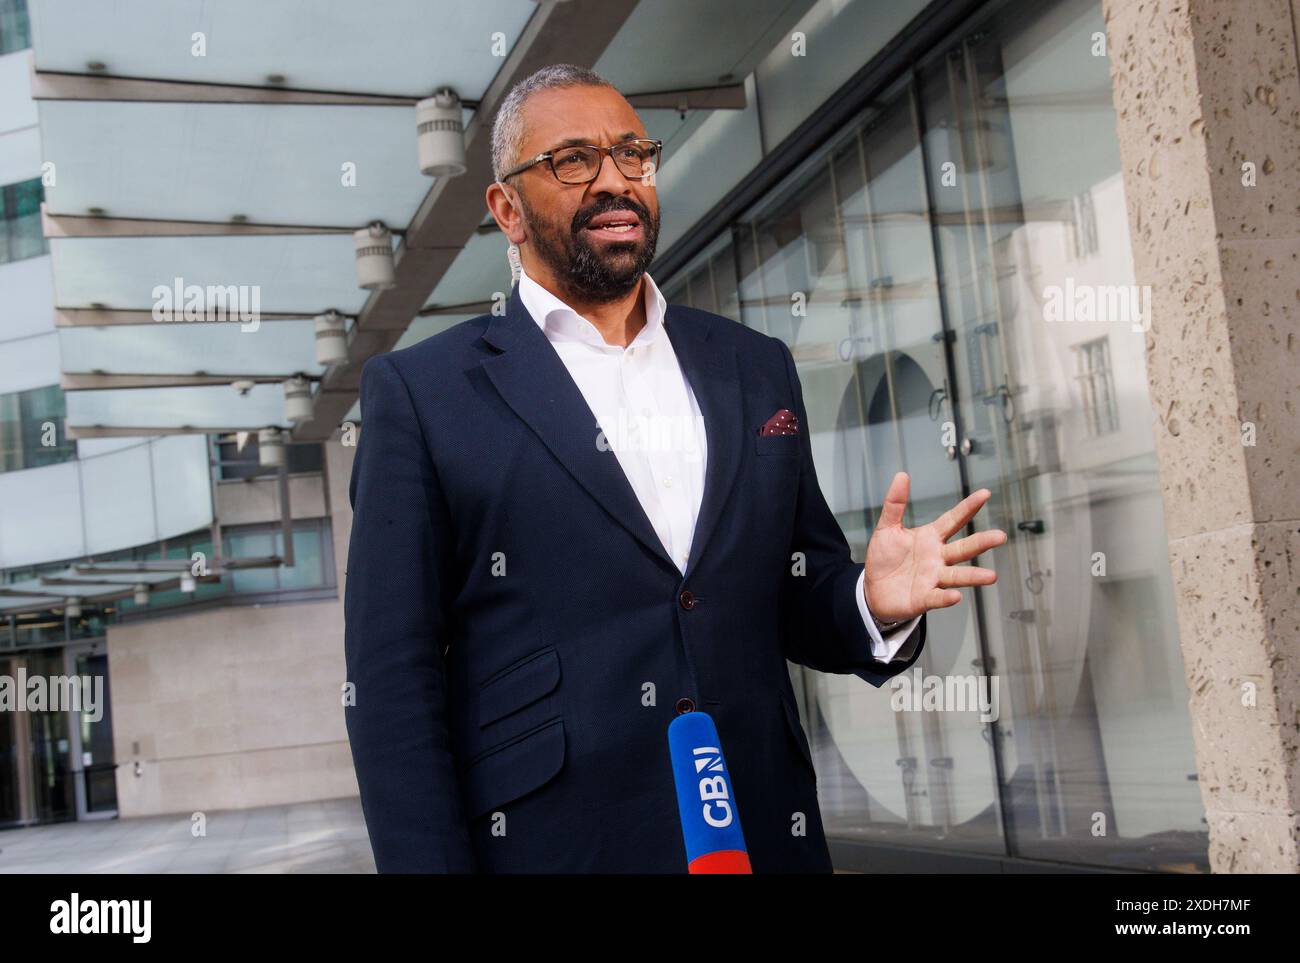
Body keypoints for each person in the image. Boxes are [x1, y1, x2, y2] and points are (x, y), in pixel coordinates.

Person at [343, 63, 1006, 873]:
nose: (615, 181)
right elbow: (392, 687)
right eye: (573, 161)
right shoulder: (424, 393)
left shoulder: (752, 366)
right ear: (506, 208)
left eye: (633, 155)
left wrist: (868, 601)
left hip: (764, 832)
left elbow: (796, 595)